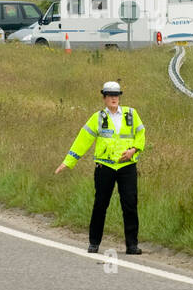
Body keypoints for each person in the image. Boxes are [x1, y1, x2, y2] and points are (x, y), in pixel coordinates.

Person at [55, 81, 145, 254]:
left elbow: (141, 135)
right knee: (100, 204)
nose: (114, 98)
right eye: (110, 95)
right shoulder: (97, 118)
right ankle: (94, 242)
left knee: (130, 205)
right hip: (105, 167)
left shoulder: (131, 114)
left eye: (116, 95)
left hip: (127, 167)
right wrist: (68, 161)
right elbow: (83, 140)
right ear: (104, 98)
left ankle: (132, 245)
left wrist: (133, 150)